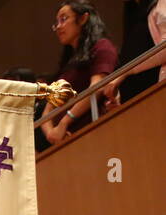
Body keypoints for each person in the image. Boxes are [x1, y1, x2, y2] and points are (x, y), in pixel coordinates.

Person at [41, 3, 118, 143]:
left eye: (63, 19)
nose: (58, 27)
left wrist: (64, 122)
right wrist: (51, 133)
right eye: (56, 23)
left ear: (83, 19)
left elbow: (97, 87)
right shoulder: (68, 64)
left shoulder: (102, 47)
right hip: (66, 139)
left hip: (94, 131)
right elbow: (48, 110)